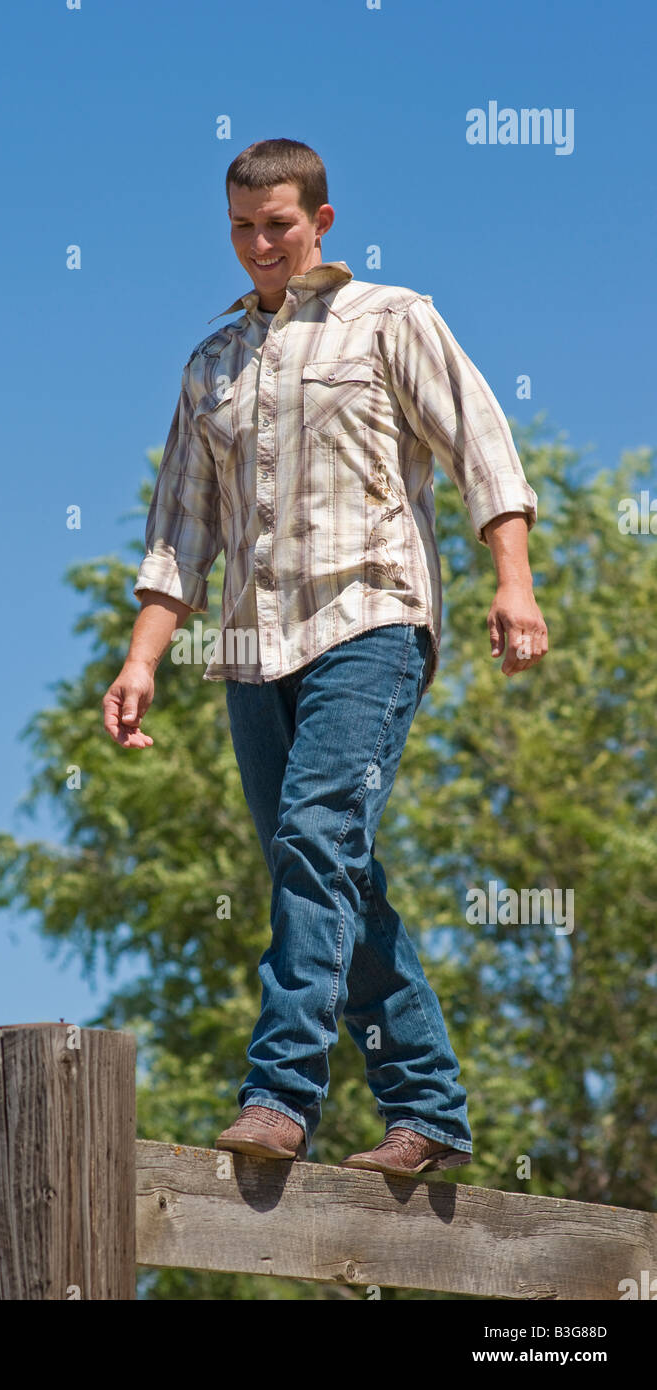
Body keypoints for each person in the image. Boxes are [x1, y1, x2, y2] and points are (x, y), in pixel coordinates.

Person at [103, 138, 548, 1176]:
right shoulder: (210, 365)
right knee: (324, 864)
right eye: (242, 228)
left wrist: (511, 582)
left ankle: (279, 1094)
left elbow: (481, 447)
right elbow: (180, 533)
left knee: (314, 839)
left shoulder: (390, 319)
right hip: (252, 650)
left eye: (279, 225)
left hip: (371, 621)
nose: (261, 245)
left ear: (322, 222)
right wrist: (139, 661)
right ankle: (428, 1105)